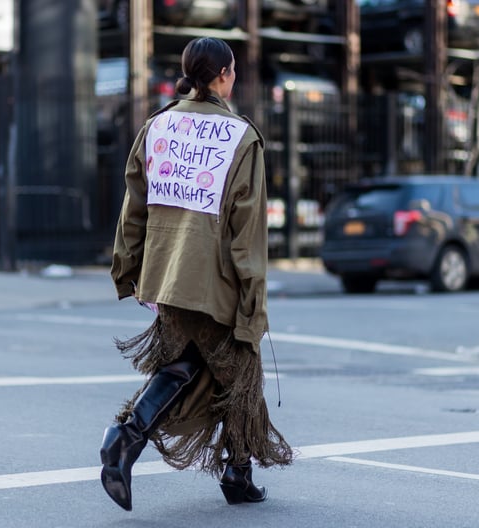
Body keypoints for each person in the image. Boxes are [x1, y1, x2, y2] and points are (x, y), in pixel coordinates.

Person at [101, 37, 294, 511]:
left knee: (188, 362)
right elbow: (247, 233)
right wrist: (253, 301)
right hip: (214, 281)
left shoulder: (157, 126)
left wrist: (128, 268)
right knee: (241, 368)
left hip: (165, 275)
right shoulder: (240, 137)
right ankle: (227, 469)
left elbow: (134, 208)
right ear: (225, 74)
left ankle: (136, 444)